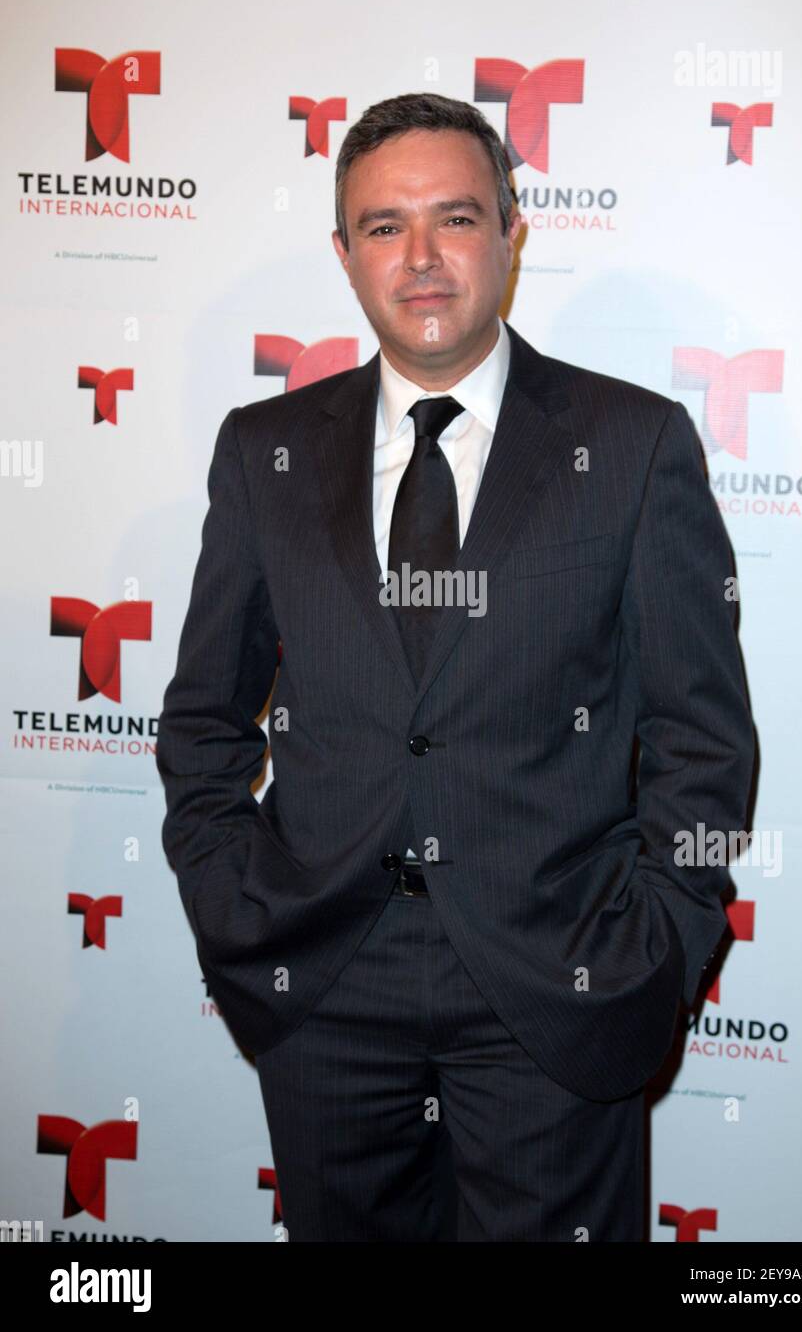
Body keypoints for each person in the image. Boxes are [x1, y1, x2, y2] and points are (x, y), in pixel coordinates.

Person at [156, 91, 755, 1242]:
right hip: (325, 984)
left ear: (512, 231)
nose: (421, 259)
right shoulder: (263, 454)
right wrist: (235, 902)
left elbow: (703, 740)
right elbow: (202, 721)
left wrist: (659, 940)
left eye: (455, 219)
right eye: (384, 227)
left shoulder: (630, 446)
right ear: (344, 254)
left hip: (556, 985)